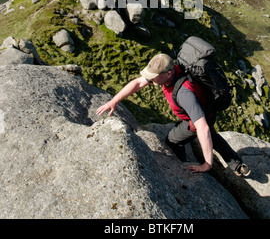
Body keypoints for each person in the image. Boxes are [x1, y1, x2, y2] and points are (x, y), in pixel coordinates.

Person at [96, 53, 250, 176]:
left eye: (154, 75)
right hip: (204, 110)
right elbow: (137, 83)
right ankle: (238, 165)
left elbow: (202, 128)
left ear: (169, 73)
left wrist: (207, 164)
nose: (151, 78)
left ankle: (183, 163)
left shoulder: (184, 93)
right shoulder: (167, 73)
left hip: (199, 117)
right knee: (213, 138)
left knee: (173, 140)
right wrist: (114, 101)